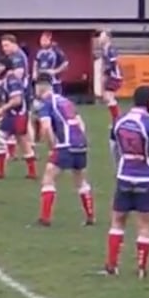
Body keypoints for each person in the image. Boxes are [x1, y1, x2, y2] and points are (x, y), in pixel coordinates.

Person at [106, 85, 149, 278]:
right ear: (146, 101)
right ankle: (142, 268)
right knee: (144, 224)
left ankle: (112, 265)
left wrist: (119, 166)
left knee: (117, 221)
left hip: (124, 176)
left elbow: (113, 148)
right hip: (147, 178)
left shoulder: (119, 121)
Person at [34, 75, 95, 227]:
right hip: (80, 145)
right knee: (80, 180)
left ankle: (45, 217)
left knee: (48, 178)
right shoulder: (66, 101)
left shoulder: (46, 104)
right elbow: (81, 123)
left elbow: (46, 127)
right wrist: (82, 141)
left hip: (65, 146)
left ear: (40, 87)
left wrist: (51, 146)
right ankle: (90, 216)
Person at [0, 58, 33, 181]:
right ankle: (31, 172)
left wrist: (1, 109)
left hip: (16, 115)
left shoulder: (12, 80)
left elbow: (17, 100)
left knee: (2, 139)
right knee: (22, 143)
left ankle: (0, 171)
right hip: (14, 115)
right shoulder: (6, 80)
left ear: (6, 67)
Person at [96, 29, 124, 115]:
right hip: (112, 76)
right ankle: (117, 117)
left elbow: (112, 65)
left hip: (115, 77)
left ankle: (117, 118)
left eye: (101, 36)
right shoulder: (105, 50)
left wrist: (105, 76)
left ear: (107, 38)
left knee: (109, 96)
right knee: (109, 97)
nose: (99, 38)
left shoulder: (110, 50)